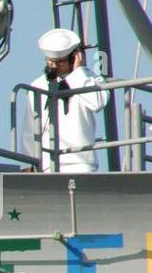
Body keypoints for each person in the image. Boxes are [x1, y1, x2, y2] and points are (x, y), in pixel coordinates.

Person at [23, 27, 110, 173]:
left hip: (81, 163)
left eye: (60, 62)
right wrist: (26, 163)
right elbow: (29, 127)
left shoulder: (89, 79)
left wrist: (78, 73)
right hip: (47, 164)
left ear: (74, 58)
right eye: (51, 62)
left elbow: (97, 103)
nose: (55, 66)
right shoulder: (38, 85)